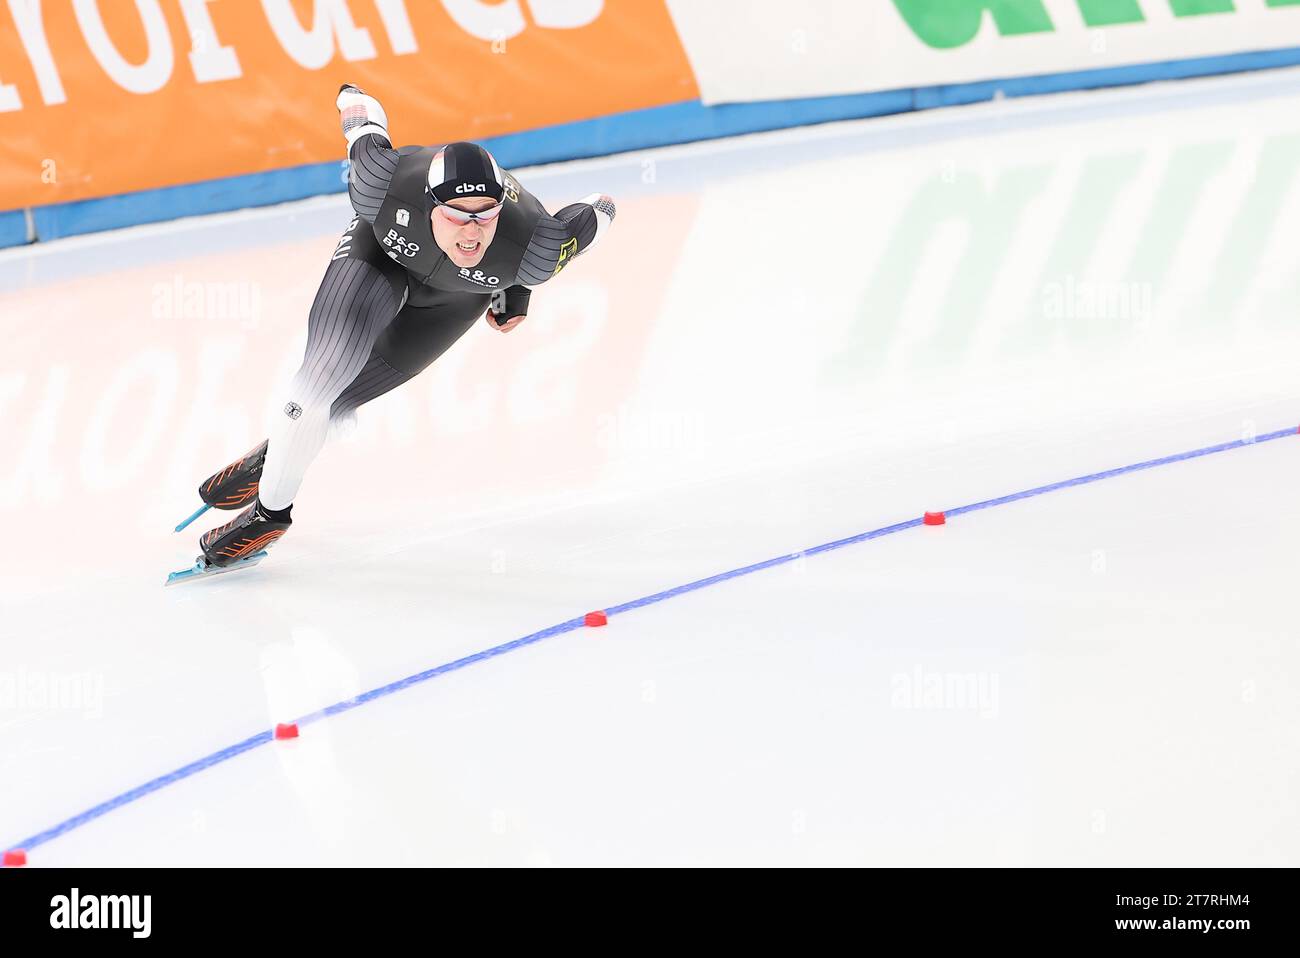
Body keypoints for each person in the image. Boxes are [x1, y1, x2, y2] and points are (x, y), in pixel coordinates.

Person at [191, 84, 616, 568]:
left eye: (486, 216)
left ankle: (278, 453)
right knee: (313, 388)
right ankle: (269, 515)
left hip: (457, 296)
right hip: (381, 255)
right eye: (457, 217)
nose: (472, 232)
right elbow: (360, 115)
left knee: (341, 400)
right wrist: (349, 93)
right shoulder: (380, 185)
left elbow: (601, 207)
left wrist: (517, 285)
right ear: (431, 204)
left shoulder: (537, 248)